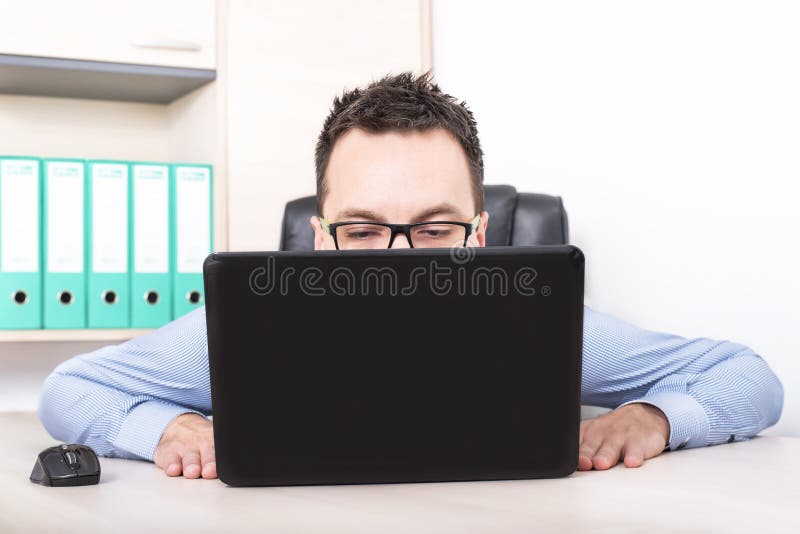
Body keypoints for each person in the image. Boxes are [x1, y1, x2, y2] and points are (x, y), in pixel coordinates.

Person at [39, 72, 784, 480]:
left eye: (432, 229)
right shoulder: (233, 335)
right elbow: (70, 390)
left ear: (483, 234)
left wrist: (652, 417)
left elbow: (748, 377)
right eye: (363, 231)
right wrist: (165, 425)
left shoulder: (548, 329)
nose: (398, 262)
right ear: (318, 238)